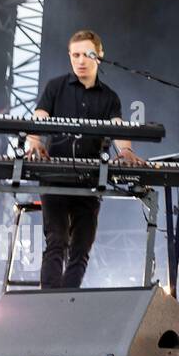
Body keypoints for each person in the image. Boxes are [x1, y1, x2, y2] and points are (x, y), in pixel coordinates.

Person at [25, 30, 145, 289]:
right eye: (75, 55)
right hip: (54, 177)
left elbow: (118, 130)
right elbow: (39, 117)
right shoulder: (55, 87)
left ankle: (68, 304)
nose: (80, 61)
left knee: (81, 249)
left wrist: (125, 151)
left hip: (89, 181)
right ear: (70, 56)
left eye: (87, 55)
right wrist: (34, 142)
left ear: (99, 56)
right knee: (56, 241)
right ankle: (48, 305)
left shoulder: (109, 97)